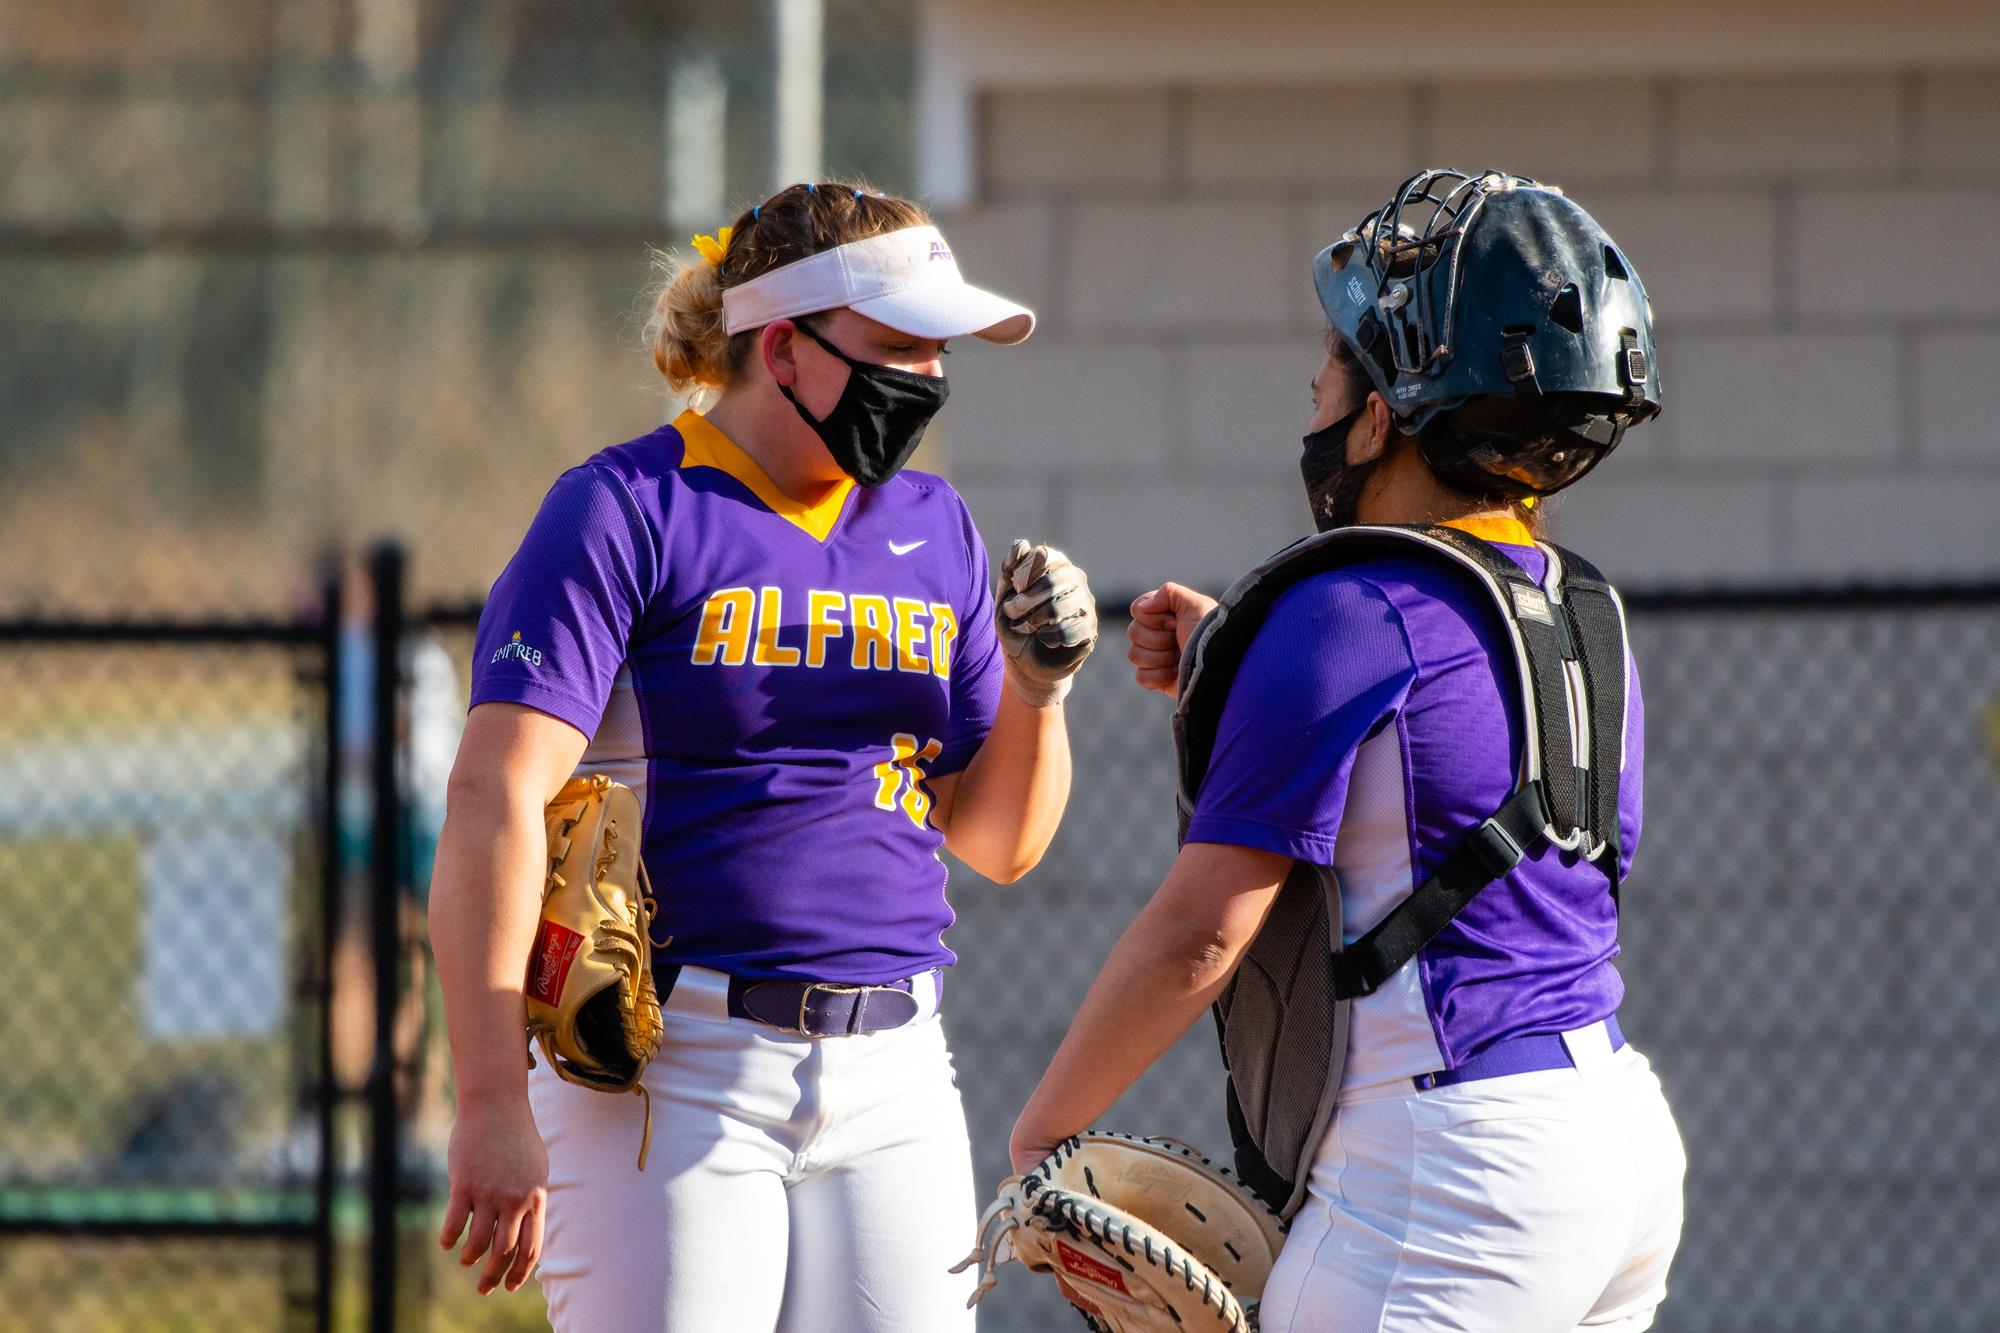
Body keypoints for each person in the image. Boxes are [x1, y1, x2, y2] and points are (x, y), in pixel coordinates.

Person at [1008, 170, 1686, 1331]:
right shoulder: (1579, 607)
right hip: (1614, 1139)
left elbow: (1200, 930)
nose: (1315, 408)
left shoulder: (1344, 611)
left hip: (1453, 1170)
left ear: (1381, 416)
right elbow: (1440, 758)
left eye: (1328, 381)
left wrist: (1042, 1135)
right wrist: (1235, 653)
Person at [428, 180, 1098, 1331]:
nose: (925, 378)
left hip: (896, 1064)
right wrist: (490, 1098)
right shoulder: (627, 507)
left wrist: (1040, 690)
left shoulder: (931, 522)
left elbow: (999, 841)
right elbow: (494, 795)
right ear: (782, 347)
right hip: (672, 1062)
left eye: (936, 353)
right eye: (895, 347)